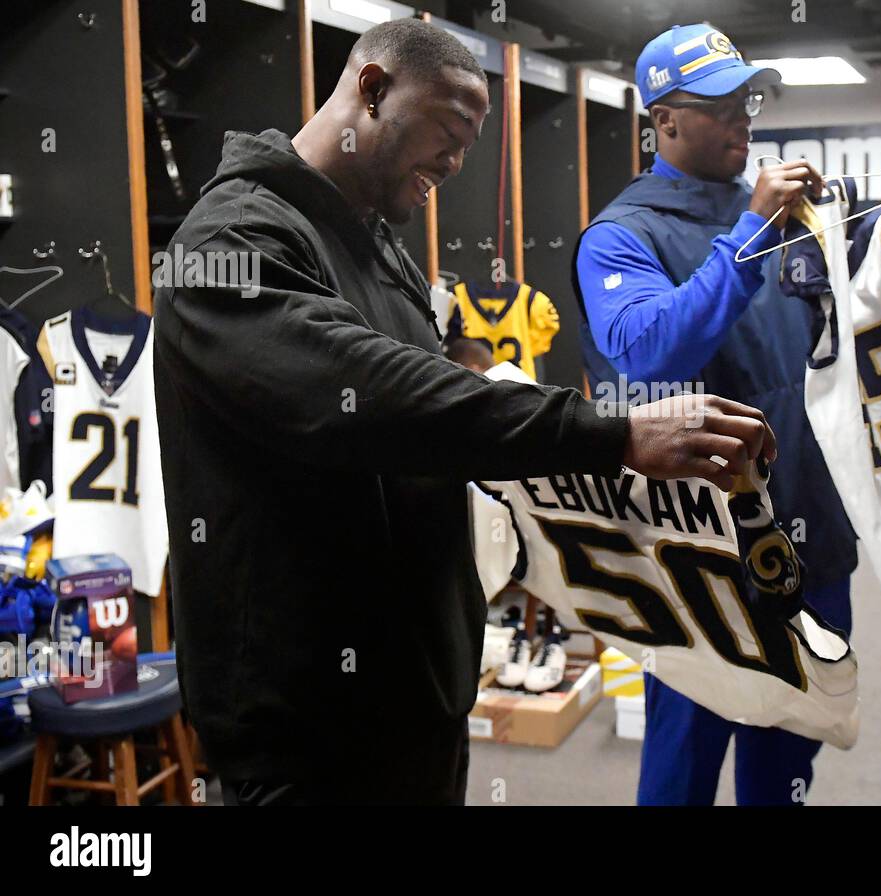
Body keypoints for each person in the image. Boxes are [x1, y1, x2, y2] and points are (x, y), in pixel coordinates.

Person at [153, 19, 777, 806]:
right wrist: (611, 433)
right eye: (446, 134)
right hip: (308, 733)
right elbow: (380, 400)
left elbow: (438, 409)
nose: (453, 164)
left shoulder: (379, 245)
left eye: (468, 146)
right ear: (373, 90)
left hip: (417, 701)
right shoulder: (233, 244)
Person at [573, 23, 881, 806]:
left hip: (809, 533)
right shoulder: (620, 235)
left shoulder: (784, 221)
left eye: (748, 96)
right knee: (683, 773)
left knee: (785, 771)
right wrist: (750, 235)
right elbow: (648, 351)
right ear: (663, 118)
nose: (744, 114)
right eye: (719, 103)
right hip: (700, 559)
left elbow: (831, 341)